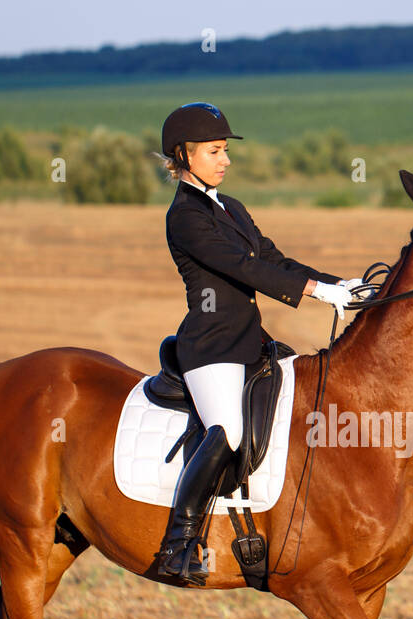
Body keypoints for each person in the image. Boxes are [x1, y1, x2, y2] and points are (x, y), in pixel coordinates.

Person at [154, 102, 361, 584]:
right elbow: (245, 269)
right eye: (214, 151)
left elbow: (274, 259)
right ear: (183, 155)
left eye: (225, 151)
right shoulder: (185, 216)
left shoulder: (232, 207)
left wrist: (342, 286)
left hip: (252, 343)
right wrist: (316, 294)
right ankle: (178, 543)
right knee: (226, 430)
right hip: (211, 347)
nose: (224, 160)